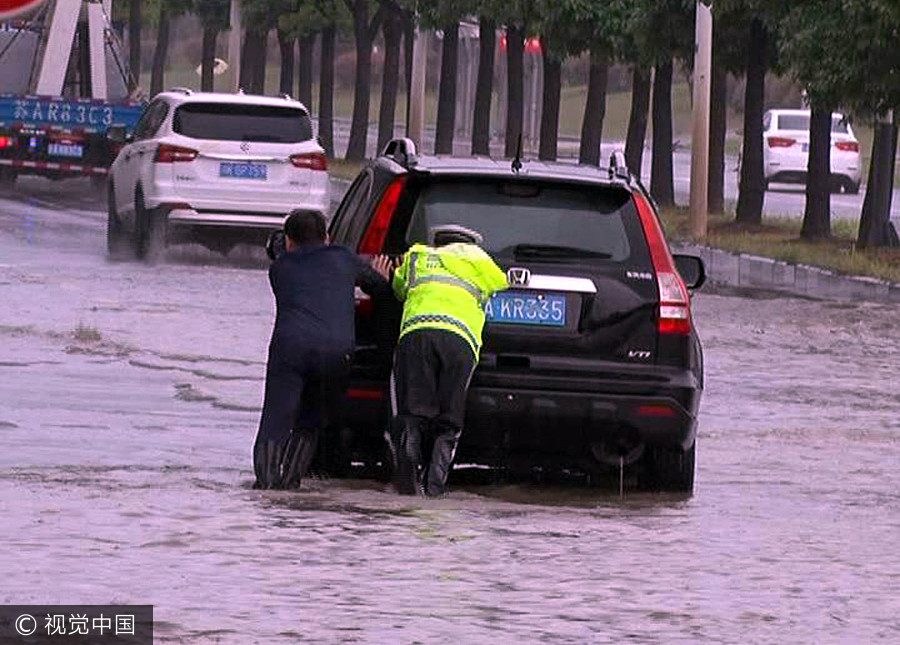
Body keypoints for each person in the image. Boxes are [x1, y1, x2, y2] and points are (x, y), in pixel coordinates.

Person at [253, 210, 391, 489]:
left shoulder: (279, 269)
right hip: (337, 352)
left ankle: (267, 490)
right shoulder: (343, 259)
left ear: (289, 241)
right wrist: (380, 275)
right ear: (327, 237)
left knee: (276, 420)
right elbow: (379, 289)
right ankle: (290, 485)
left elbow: (285, 254)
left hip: (290, 350)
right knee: (310, 421)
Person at [388, 225, 508, 496]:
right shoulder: (480, 261)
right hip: (459, 339)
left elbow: (398, 288)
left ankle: (410, 471)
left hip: (416, 334)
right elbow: (501, 284)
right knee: (450, 417)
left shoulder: (417, 256)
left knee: (414, 411)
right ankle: (435, 488)